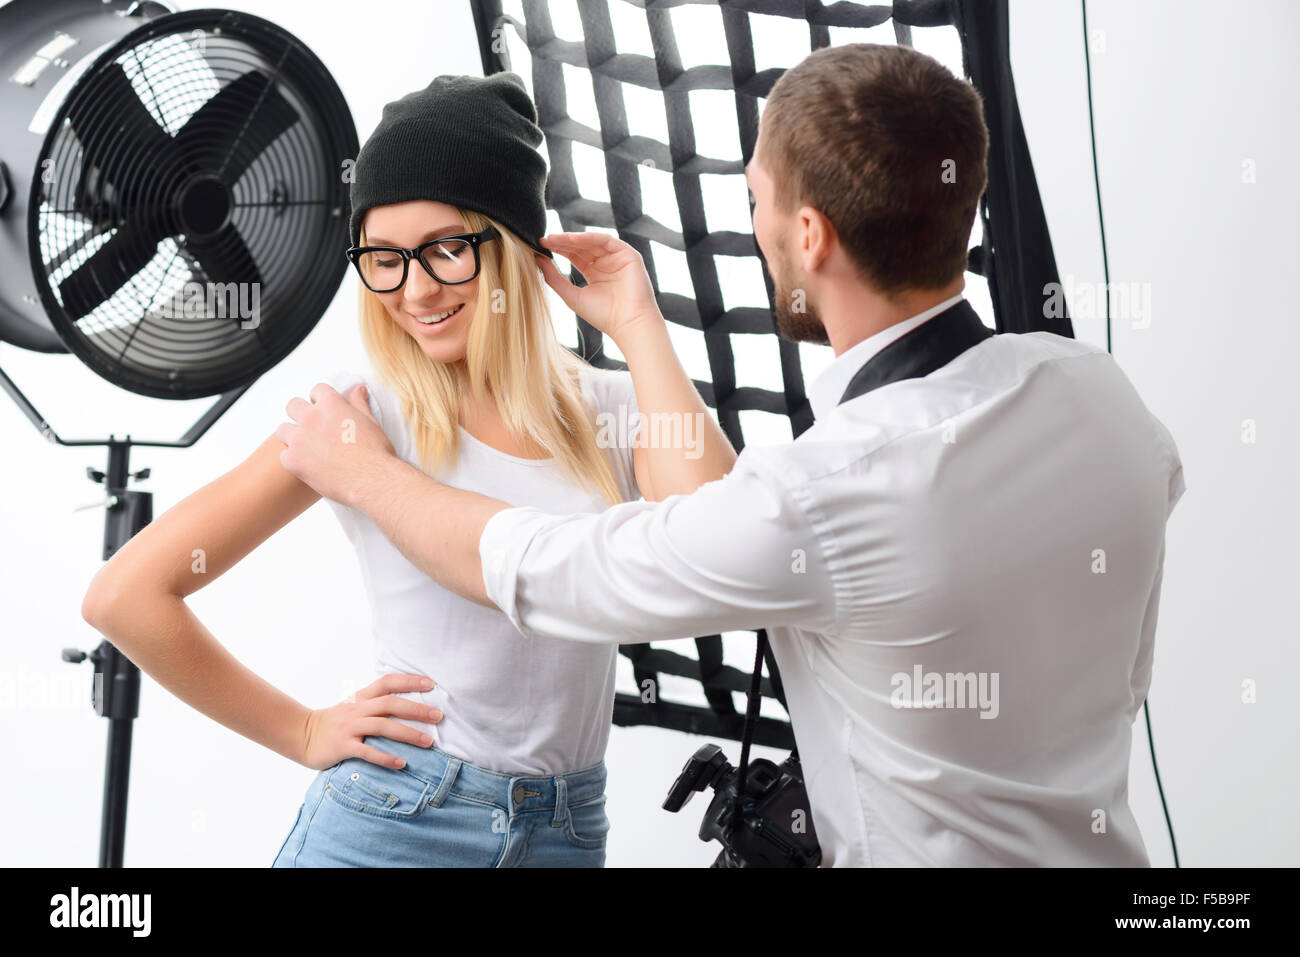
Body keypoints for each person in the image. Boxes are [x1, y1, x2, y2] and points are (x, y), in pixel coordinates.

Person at [279, 44, 1187, 867]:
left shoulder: (819, 495)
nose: (751, 225)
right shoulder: (1104, 398)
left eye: (755, 200)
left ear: (808, 237)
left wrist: (363, 474)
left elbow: (542, 569)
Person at [80, 72, 737, 867]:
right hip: (394, 820)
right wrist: (305, 729)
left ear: (519, 249)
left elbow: (721, 545)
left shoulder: (618, 409)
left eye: (446, 251)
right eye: (384, 259)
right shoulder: (362, 423)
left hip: (567, 830)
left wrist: (638, 322)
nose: (415, 290)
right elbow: (125, 595)